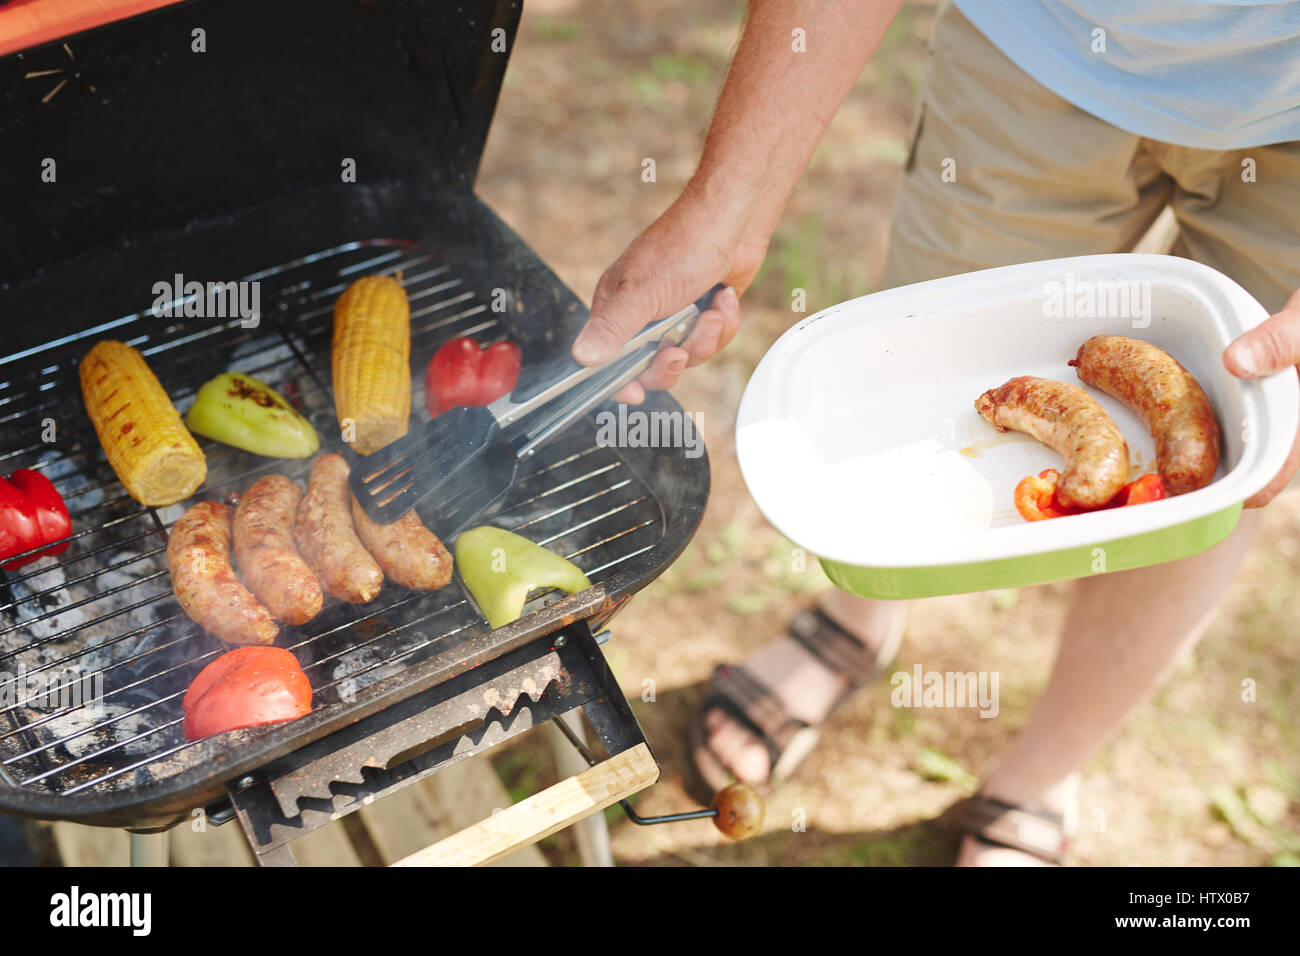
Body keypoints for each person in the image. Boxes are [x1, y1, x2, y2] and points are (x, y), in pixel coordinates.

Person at [568, 0, 1300, 865]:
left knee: (1237, 448)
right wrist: (726, 204)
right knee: (928, 340)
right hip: (1038, 38)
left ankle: (1040, 778)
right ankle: (856, 622)